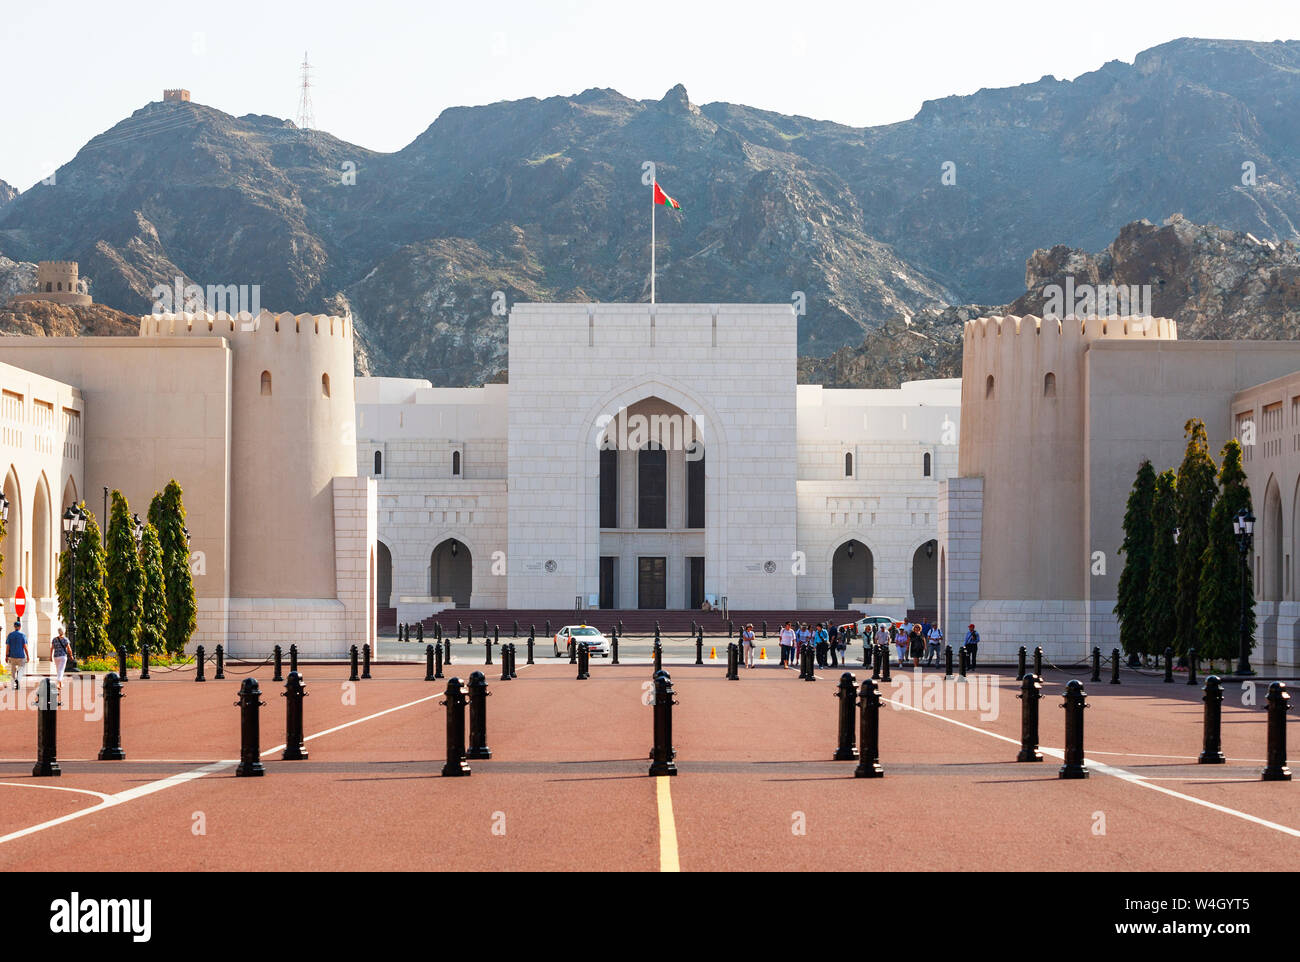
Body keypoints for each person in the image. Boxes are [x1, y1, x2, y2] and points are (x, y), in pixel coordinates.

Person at [6, 620, 28, 690]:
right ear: (20, 627)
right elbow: (25, 646)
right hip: (20, 656)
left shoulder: (10, 635)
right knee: (21, 669)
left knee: (13, 670)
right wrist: (28, 655)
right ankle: (18, 680)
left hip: (12, 655)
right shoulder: (22, 635)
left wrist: (6, 655)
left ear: (14, 627)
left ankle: (13, 684)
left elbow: (8, 646)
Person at [50, 625, 71, 692]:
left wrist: (50, 656)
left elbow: (52, 648)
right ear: (63, 632)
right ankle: (58, 681)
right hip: (62, 656)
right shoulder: (65, 639)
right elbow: (69, 649)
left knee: (58, 670)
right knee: (61, 670)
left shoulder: (54, 639)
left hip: (56, 656)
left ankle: (60, 684)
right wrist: (71, 655)